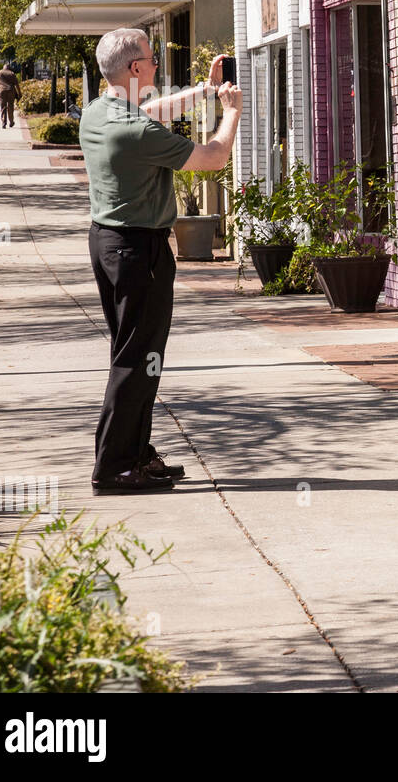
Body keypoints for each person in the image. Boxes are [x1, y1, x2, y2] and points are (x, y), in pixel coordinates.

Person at [80, 28, 241, 493]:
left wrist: (205, 92)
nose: (155, 66)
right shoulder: (133, 129)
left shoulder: (99, 113)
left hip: (110, 242)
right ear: (134, 68)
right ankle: (114, 468)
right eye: (150, 60)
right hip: (138, 250)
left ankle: (137, 455)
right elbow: (212, 158)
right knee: (136, 358)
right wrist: (229, 113)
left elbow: (150, 113)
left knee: (138, 355)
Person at [0, 63, 20, 128]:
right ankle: (11, 121)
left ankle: (3, 122)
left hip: (2, 91)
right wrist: (19, 93)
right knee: (10, 107)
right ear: (9, 68)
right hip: (11, 91)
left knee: (3, 107)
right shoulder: (11, 73)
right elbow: (16, 85)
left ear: (3, 68)